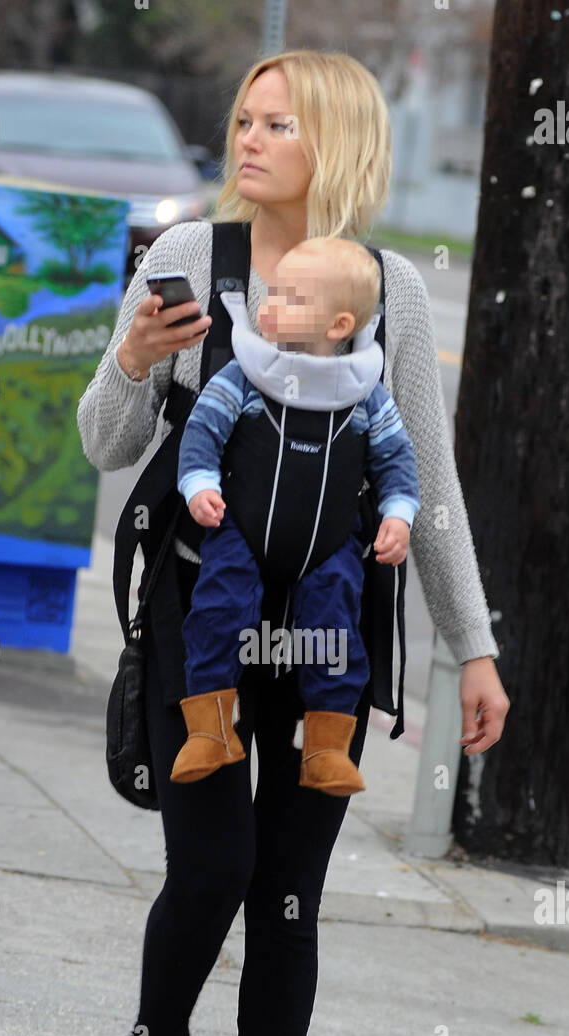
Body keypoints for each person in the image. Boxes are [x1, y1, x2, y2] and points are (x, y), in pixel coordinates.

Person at [76, 49, 510, 1036]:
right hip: (199, 620)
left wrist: (471, 648)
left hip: (325, 635)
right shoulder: (180, 261)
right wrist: (134, 360)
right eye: (243, 119)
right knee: (212, 865)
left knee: (288, 896)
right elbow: (105, 446)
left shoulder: (394, 294)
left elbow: (429, 488)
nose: (250, 139)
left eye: (280, 122)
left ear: (338, 141)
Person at [170, 234, 420, 795]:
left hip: (331, 540)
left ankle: (326, 746)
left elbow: (397, 462)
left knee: (335, 626)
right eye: (270, 293)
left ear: (339, 326)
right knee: (218, 608)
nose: (267, 305)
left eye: (288, 297)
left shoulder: (366, 395)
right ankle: (209, 730)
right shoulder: (244, 375)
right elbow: (202, 434)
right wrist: (200, 485)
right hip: (240, 530)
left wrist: (398, 516)